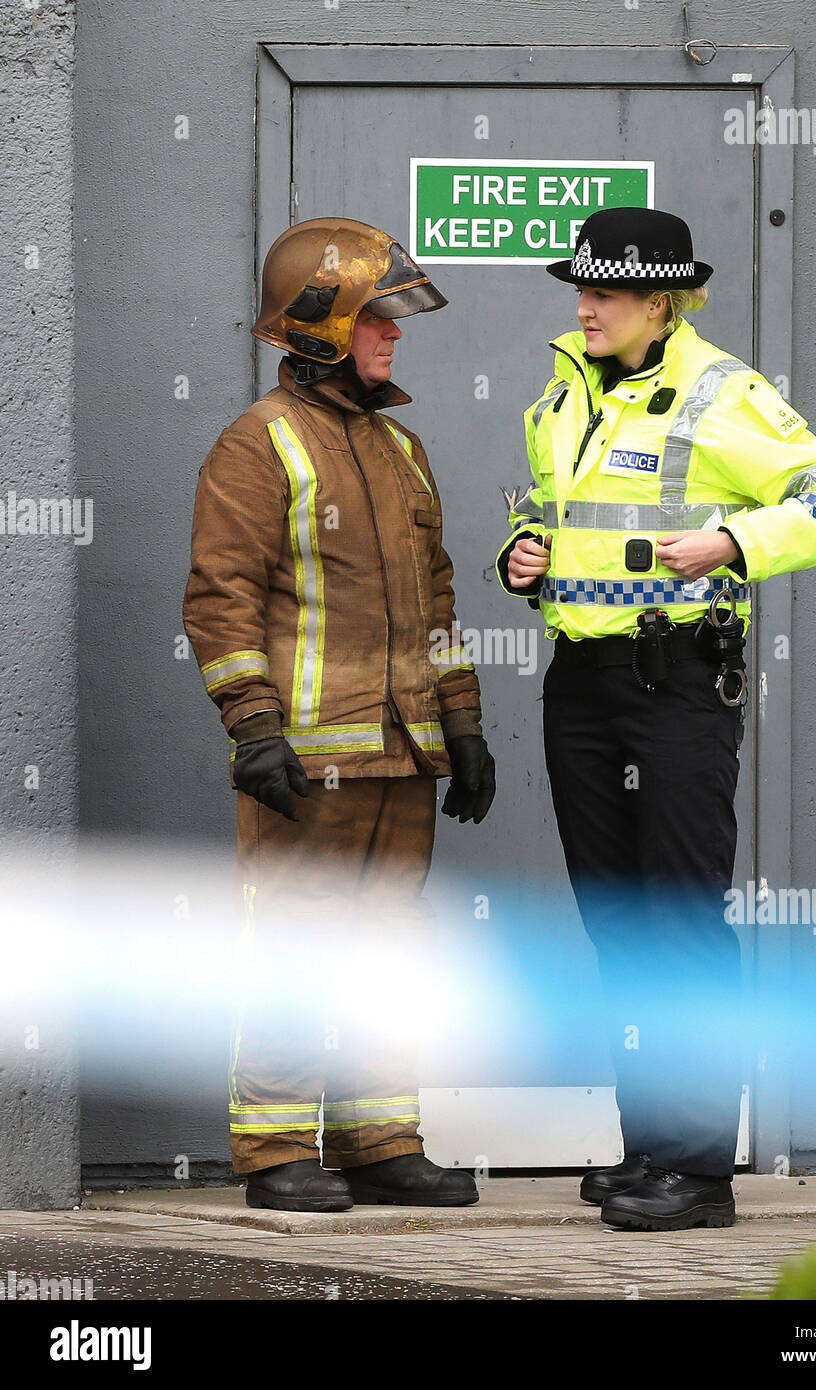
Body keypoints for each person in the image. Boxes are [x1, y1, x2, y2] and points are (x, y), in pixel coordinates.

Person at [496, 206, 816, 1231]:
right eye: (581, 287)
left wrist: (735, 544)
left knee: (680, 920)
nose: (586, 304)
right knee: (616, 920)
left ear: (662, 301)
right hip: (581, 684)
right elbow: (551, 508)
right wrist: (523, 552)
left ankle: (700, 1174)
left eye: (605, 291)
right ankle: (647, 1145)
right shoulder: (559, 398)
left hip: (678, 690)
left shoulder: (723, 392)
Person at [184, 217, 495, 1213]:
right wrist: (253, 726)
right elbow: (221, 593)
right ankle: (275, 1150)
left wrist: (466, 724)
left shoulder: (401, 448)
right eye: (374, 318)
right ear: (318, 329)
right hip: (305, 760)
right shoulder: (256, 443)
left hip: (403, 754)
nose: (394, 335)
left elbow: (435, 597)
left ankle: (377, 1140)